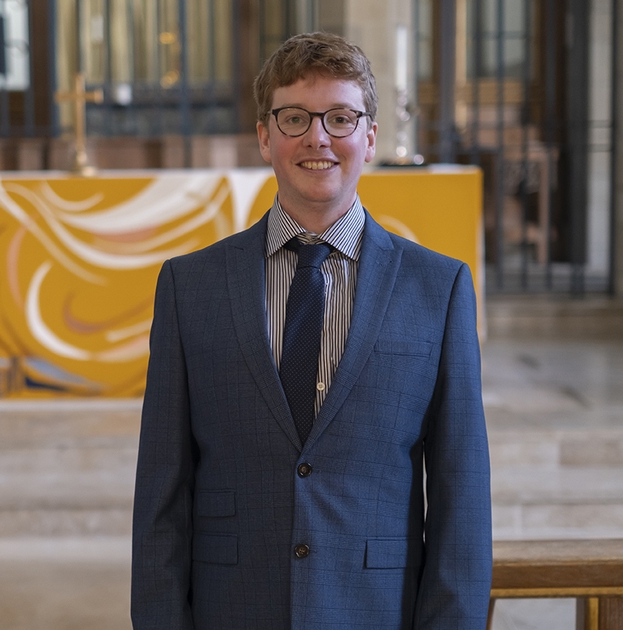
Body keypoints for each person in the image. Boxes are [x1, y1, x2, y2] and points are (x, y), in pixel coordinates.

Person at [131, 32, 492, 629]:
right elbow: (162, 493)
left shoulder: (439, 288)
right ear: (265, 136)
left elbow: (461, 492)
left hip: (375, 610)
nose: (317, 137)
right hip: (234, 608)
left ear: (370, 138)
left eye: (340, 118)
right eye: (295, 117)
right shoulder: (189, 287)